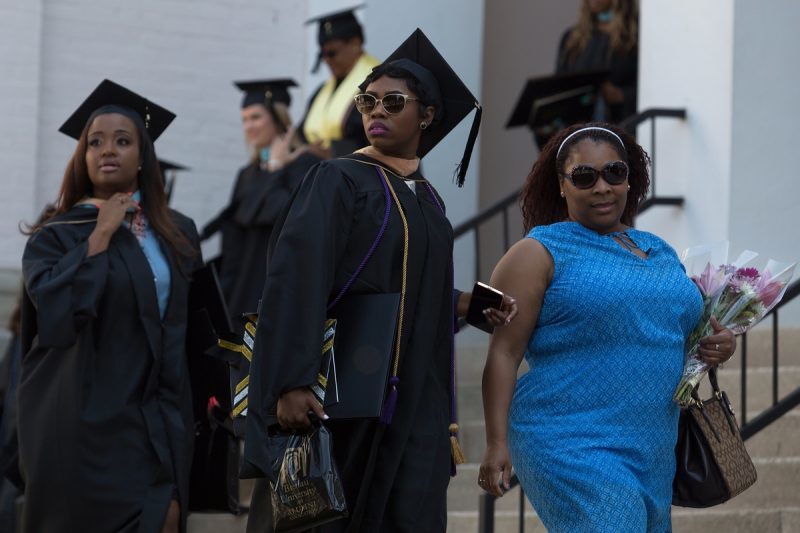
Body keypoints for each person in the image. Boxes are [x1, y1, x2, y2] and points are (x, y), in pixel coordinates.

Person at [243, 29, 510, 533]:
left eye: (393, 102)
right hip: (341, 395)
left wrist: (465, 304)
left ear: (427, 115)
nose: (376, 111)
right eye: (367, 101)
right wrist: (291, 381)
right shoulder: (339, 180)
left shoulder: (427, 201)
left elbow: (403, 289)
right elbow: (296, 280)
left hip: (412, 400)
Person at [478, 123, 737, 531]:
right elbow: (504, 352)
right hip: (569, 438)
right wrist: (496, 443)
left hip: (652, 443)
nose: (602, 187)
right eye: (584, 177)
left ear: (629, 178)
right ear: (561, 186)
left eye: (614, 173)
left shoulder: (659, 250)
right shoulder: (537, 252)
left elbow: (679, 334)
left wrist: (719, 344)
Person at [19, 79, 203, 533]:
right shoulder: (57, 235)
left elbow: (193, 325)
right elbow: (59, 321)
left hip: (157, 418)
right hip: (84, 425)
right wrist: (101, 234)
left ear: (143, 156)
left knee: (165, 518)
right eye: (95, 142)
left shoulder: (177, 233)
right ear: (82, 157)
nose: (108, 150)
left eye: (123, 141)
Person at [202, 78, 319, 320]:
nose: (248, 126)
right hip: (242, 286)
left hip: (277, 285)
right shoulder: (248, 172)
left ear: (278, 119)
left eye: (256, 117)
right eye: (244, 119)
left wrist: (276, 168)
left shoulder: (306, 166)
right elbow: (235, 233)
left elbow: (278, 214)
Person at [298, 7, 381, 159]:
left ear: (355, 43)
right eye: (322, 55)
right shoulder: (321, 92)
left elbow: (383, 139)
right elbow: (301, 134)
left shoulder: (380, 85)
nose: (327, 60)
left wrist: (333, 152)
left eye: (332, 53)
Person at [556, 0, 639, 122]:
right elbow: (558, 87)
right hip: (578, 128)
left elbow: (654, 88)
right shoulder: (572, 39)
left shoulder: (635, 37)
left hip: (621, 126)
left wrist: (620, 95)